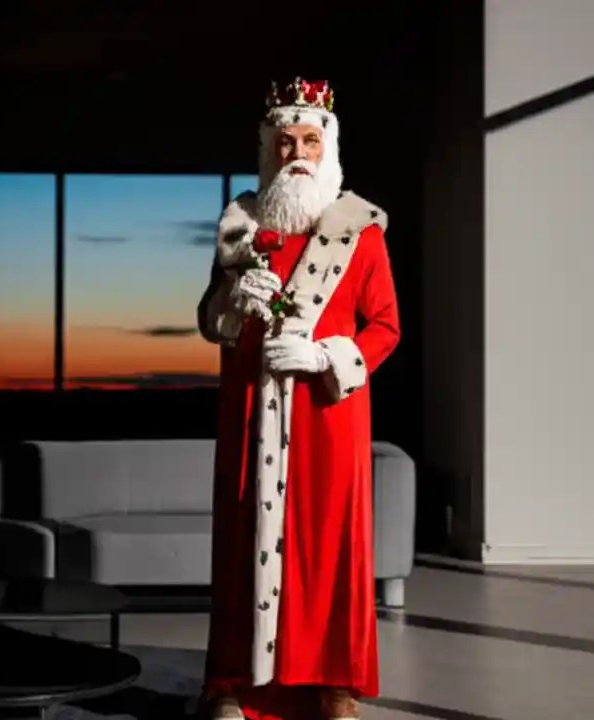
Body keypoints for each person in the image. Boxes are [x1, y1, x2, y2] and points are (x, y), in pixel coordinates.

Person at [196, 77, 401, 720]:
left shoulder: (361, 232)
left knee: (332, 548)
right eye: (285, 143)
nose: (297, 155)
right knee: (241, 541)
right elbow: (209, 323)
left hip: (328, 416)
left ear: (328, 147)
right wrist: (234, 302)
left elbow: (386, 327)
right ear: (269, 151)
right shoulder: (241, 231)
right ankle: (233, 684)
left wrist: (323, 355)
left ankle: (335, 684)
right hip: (252, 413)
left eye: (309, 141)